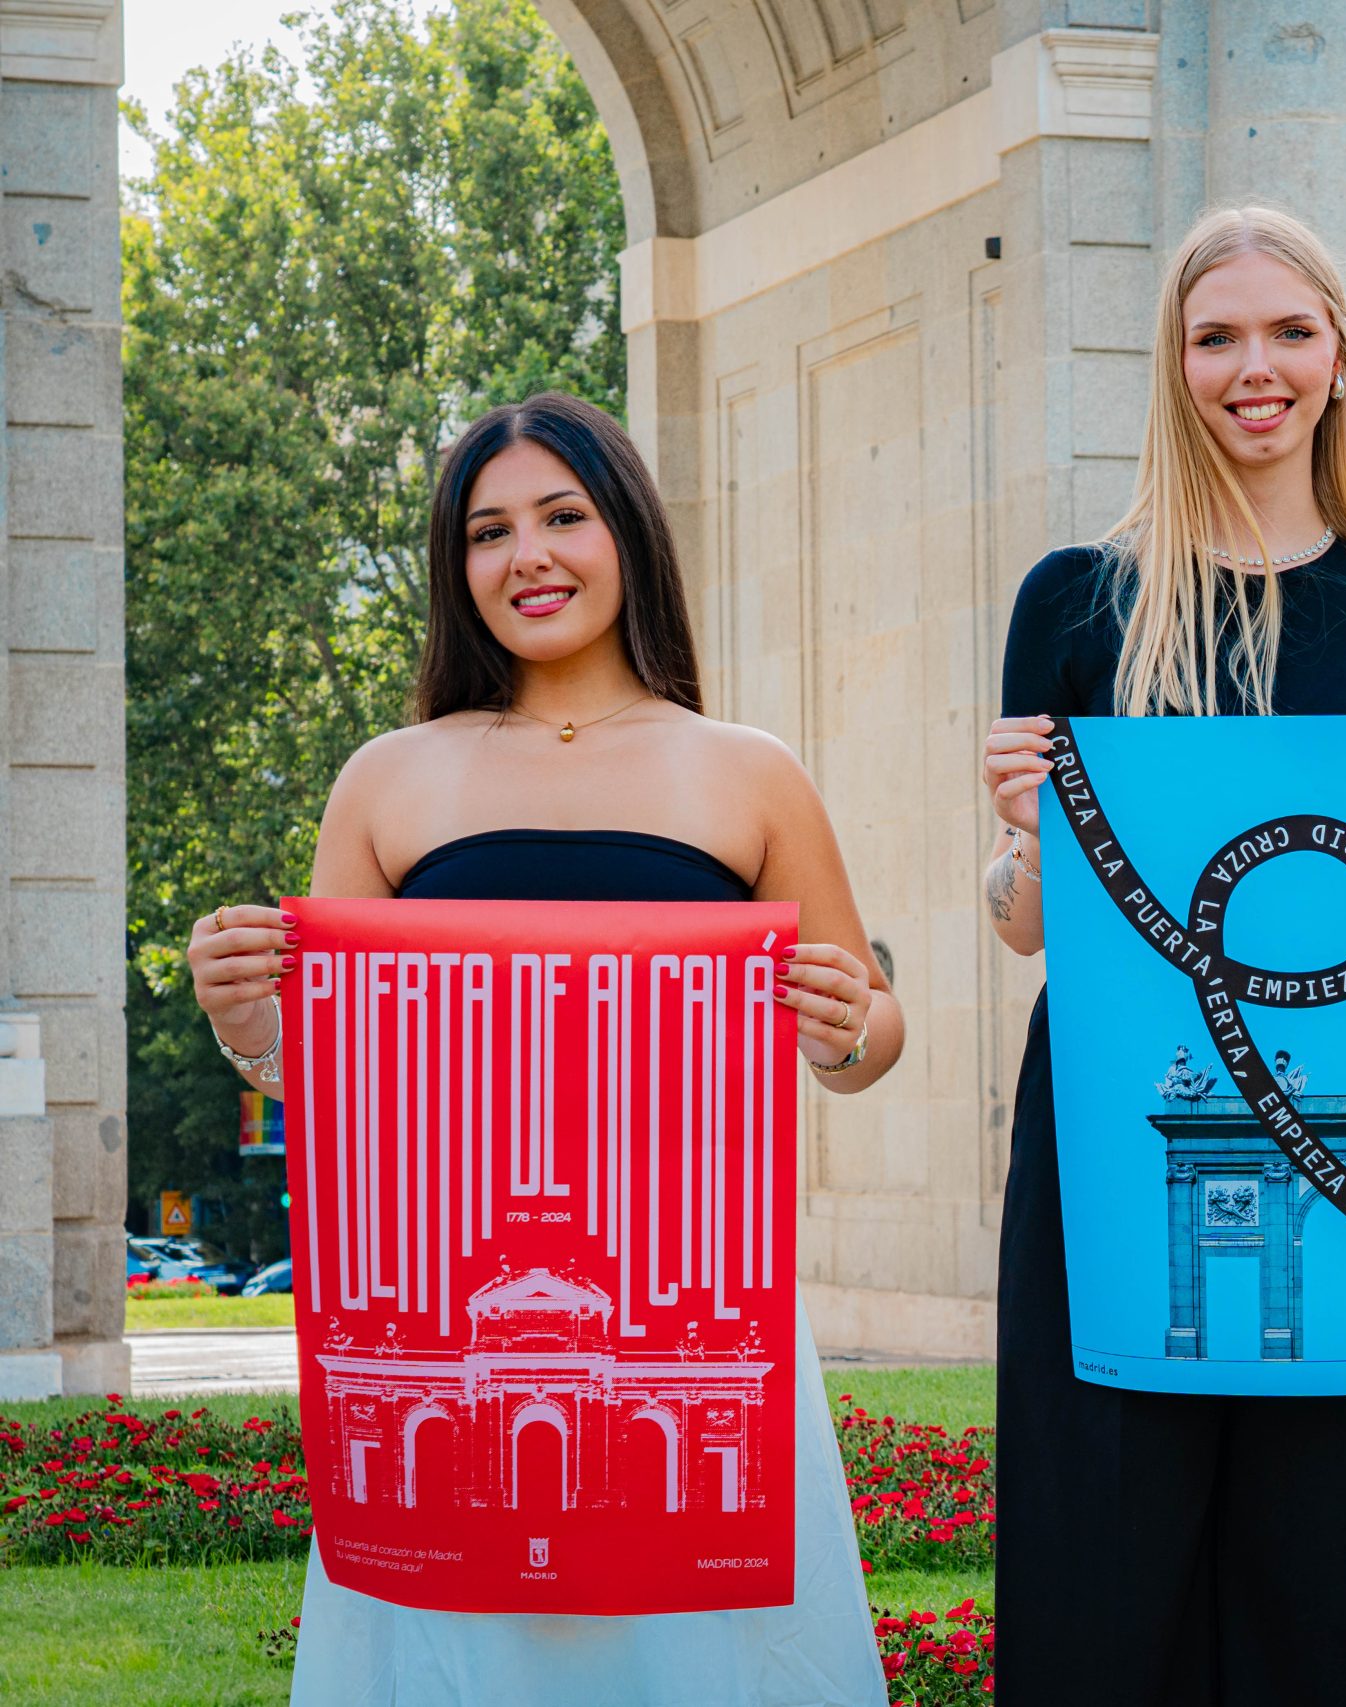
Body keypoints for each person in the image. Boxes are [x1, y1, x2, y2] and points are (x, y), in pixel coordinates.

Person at [184, 392, 902, 1707]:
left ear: (625, 531)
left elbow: (863, 1025)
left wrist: (851, 1025)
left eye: (564, 516)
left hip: (696, 1305)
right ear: (457, 572)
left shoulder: (747, 771)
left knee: (696, 1650)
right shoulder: (388, 778)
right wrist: (247, 1022)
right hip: (454, 1308)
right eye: (488, 530)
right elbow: (321, 1066)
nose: (531, 556)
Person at [978, 206, 1346, 1706]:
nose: (1257, 369)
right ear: (1173, 366)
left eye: (1289, 332)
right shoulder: (1075, 600)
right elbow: (1022, 920)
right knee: (1102, 1561)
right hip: (1116, 1129)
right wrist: (1022, 839)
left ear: (1338, 355)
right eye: (1217, 336)